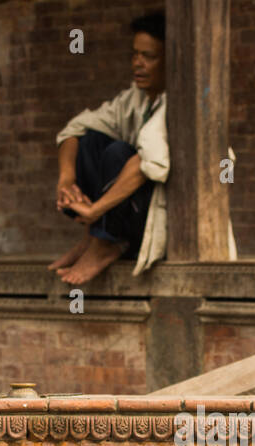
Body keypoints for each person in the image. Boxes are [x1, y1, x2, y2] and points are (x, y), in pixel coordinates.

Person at [47, 11, 169, 284]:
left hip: (162, 224)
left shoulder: (176, 102)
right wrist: (66, 179)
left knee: (118, 154)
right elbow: (74, 129)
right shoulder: (135, 99)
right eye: (135, 54)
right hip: (121, 218)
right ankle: (95, 237)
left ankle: (105, 244)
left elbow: (145, 163)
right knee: (89, 140)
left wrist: (96, 209)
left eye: (149, 57)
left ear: (172, 61)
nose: (138, 63)